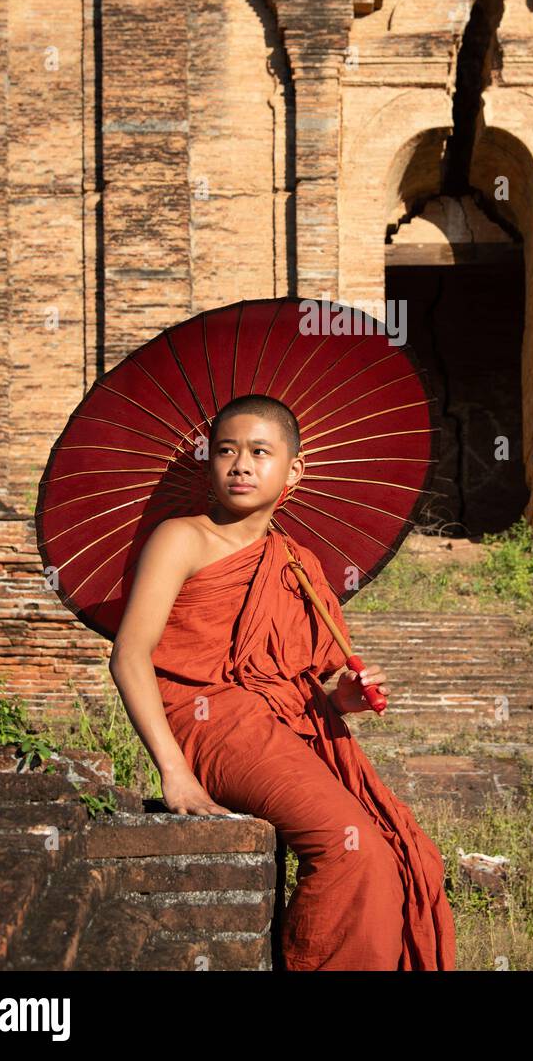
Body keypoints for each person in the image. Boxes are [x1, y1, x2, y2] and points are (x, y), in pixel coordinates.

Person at [109, 392, 456, 971]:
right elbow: (129, 656)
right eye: (225, 451)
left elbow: (295, 680)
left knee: (405, 852)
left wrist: (341, 699)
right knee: (356, 850)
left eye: (259, 451)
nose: (240, 464)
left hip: (283, 721)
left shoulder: (296, 561)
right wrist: (176, 774)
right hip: (213, 720)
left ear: (294, 470)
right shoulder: (184, 538)